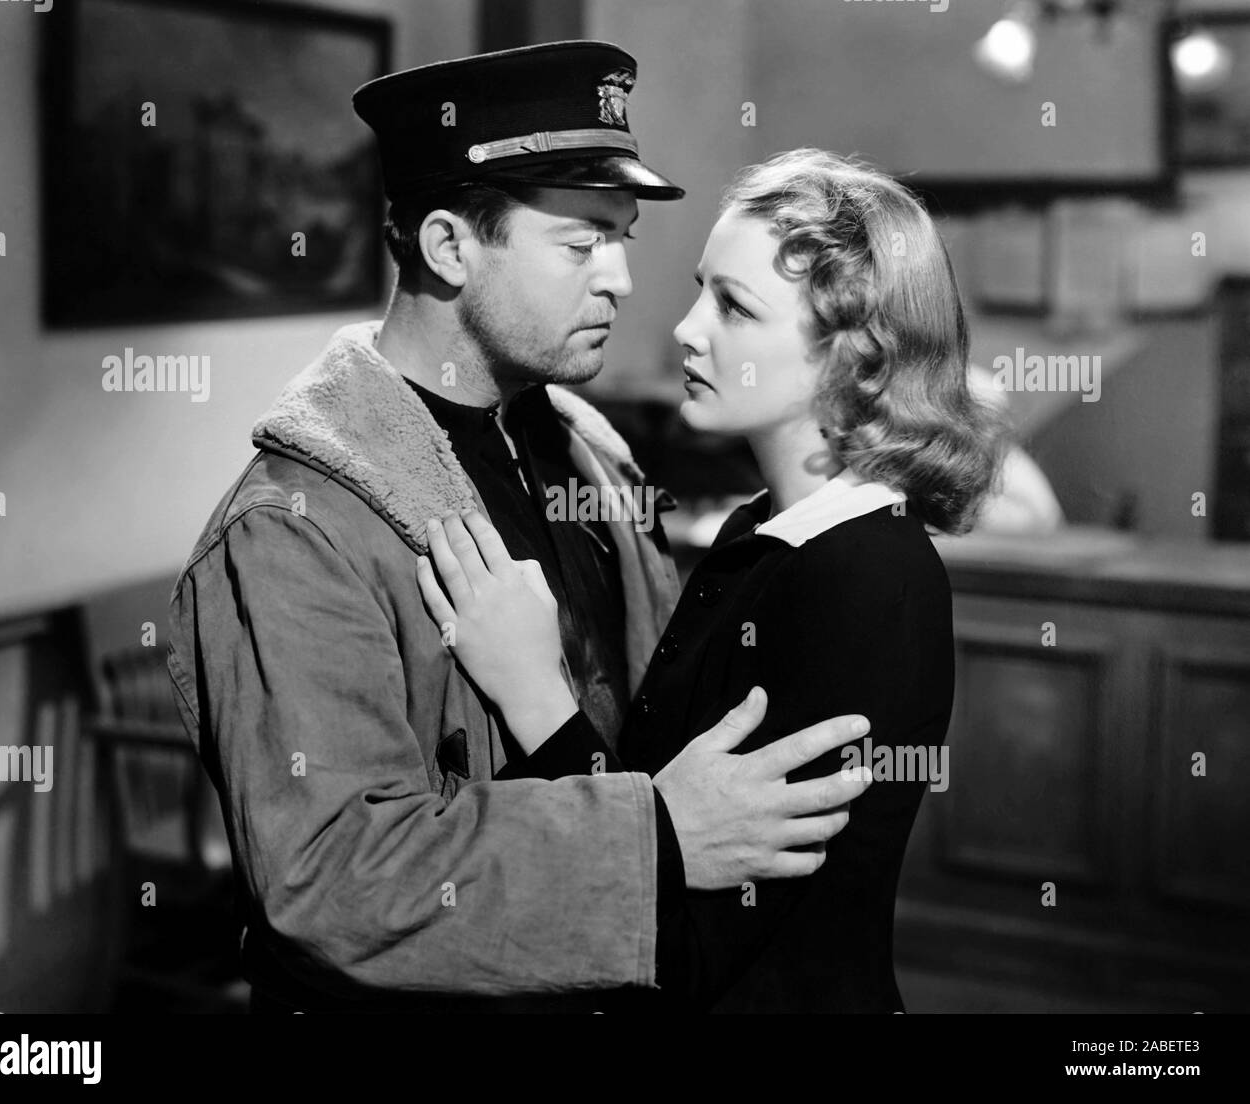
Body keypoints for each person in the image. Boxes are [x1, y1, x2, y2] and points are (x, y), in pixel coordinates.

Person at [166, 43, 872, 1013]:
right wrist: (656, 836)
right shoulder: (295, 529)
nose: (622, 279)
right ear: (450, 246)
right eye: (581, 245)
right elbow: (330, 881)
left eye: (620, 237)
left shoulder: (593, 459)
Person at [419, 148, 1006, 1011]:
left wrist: (533, 694)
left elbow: (687, 951)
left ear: (857, 358)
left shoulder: (866, 580)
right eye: (703, 290)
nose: (688, 329)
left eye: (734, 306)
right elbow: (677, 817)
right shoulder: (760, 530)